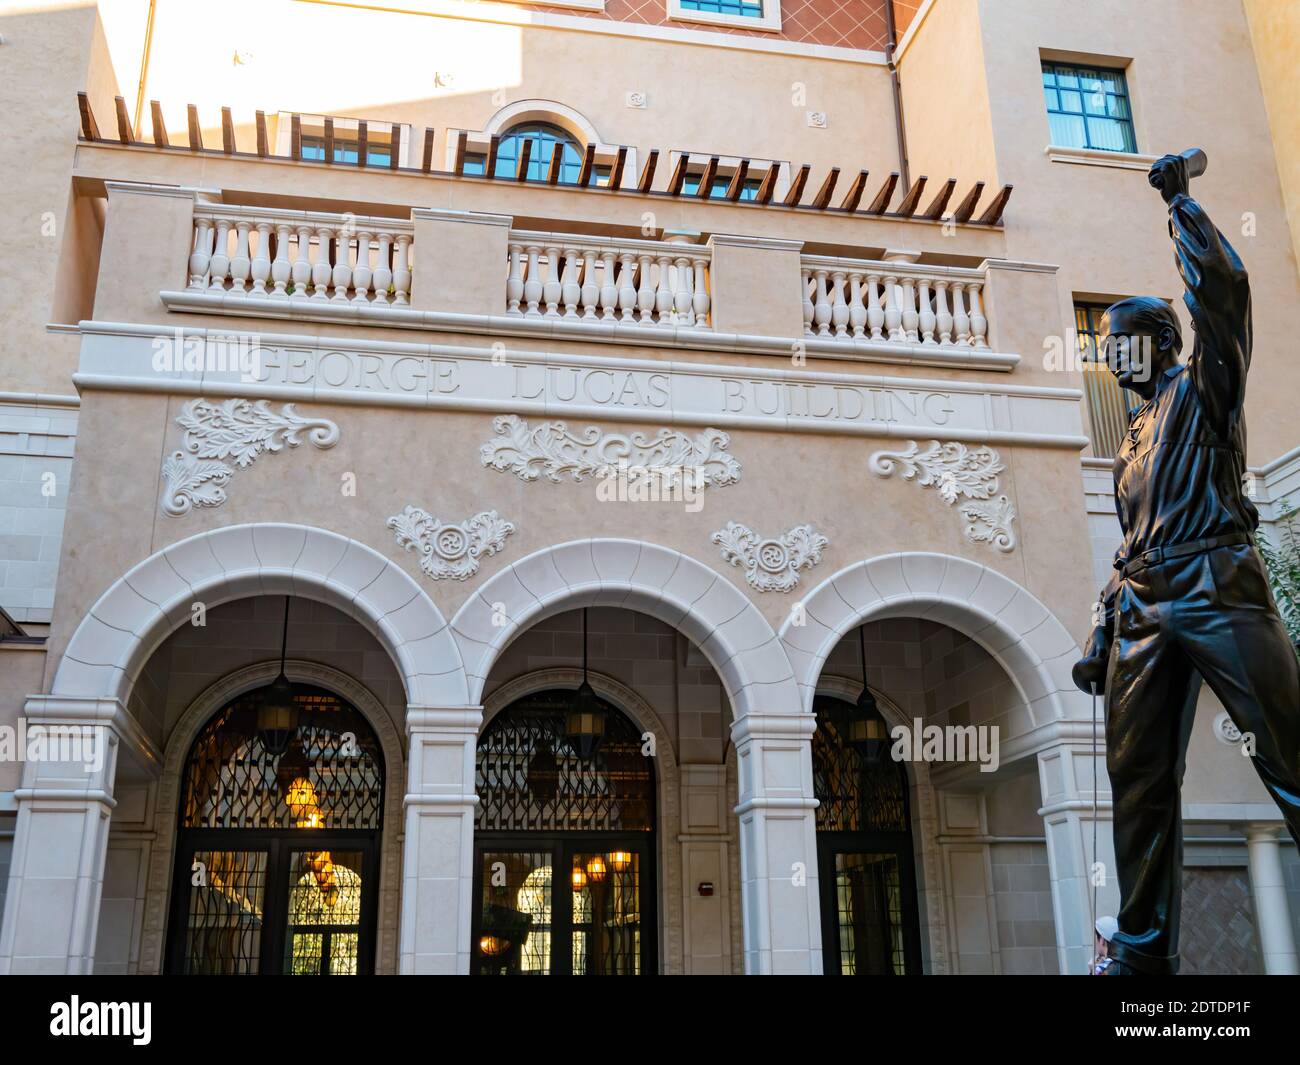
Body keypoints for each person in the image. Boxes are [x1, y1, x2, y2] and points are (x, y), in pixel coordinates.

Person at [1072, 152, 1300, 976]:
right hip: (1143, 605)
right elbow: (1126, 543)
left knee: (1286, 748)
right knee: (1135, 780)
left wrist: (1183, 210)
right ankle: (1138, 950)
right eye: (1104, 348)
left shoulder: (1205, 388)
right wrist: (1102, 631)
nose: (1111, 358)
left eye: (1121, 343)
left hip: (1217, 582)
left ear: (1160, 342)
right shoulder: (1129, 441)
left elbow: (1225, 300)